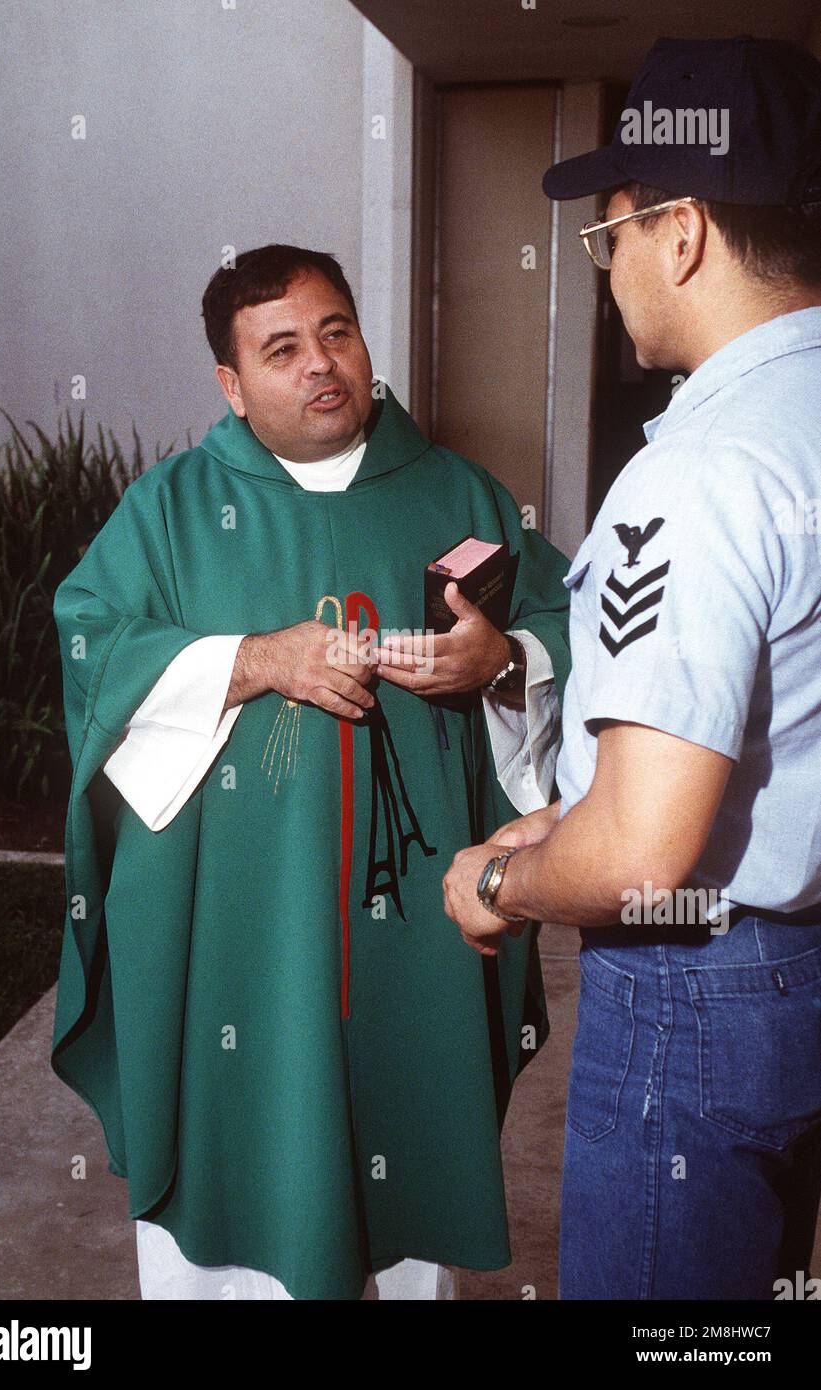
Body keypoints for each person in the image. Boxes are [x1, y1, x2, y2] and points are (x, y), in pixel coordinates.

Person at [50, 243, 572, 1300]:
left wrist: (503, 660)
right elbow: (89, 643)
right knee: (227, 1209)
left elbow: (570, 630)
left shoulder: (458, 492)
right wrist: (251, 660)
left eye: (335, 332)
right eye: (281, 348)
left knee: (407, 1203)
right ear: (231, 386)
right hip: (231, 936)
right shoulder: (171, 509)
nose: (320, 365)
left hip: (418, 927)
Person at [442, 34, 821, 1300]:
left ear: (682, 232)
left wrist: (503, 872)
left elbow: (644, 858)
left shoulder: (701, 469)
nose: (604, 273)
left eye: (607, 237)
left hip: (696, 992)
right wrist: (583, 806)